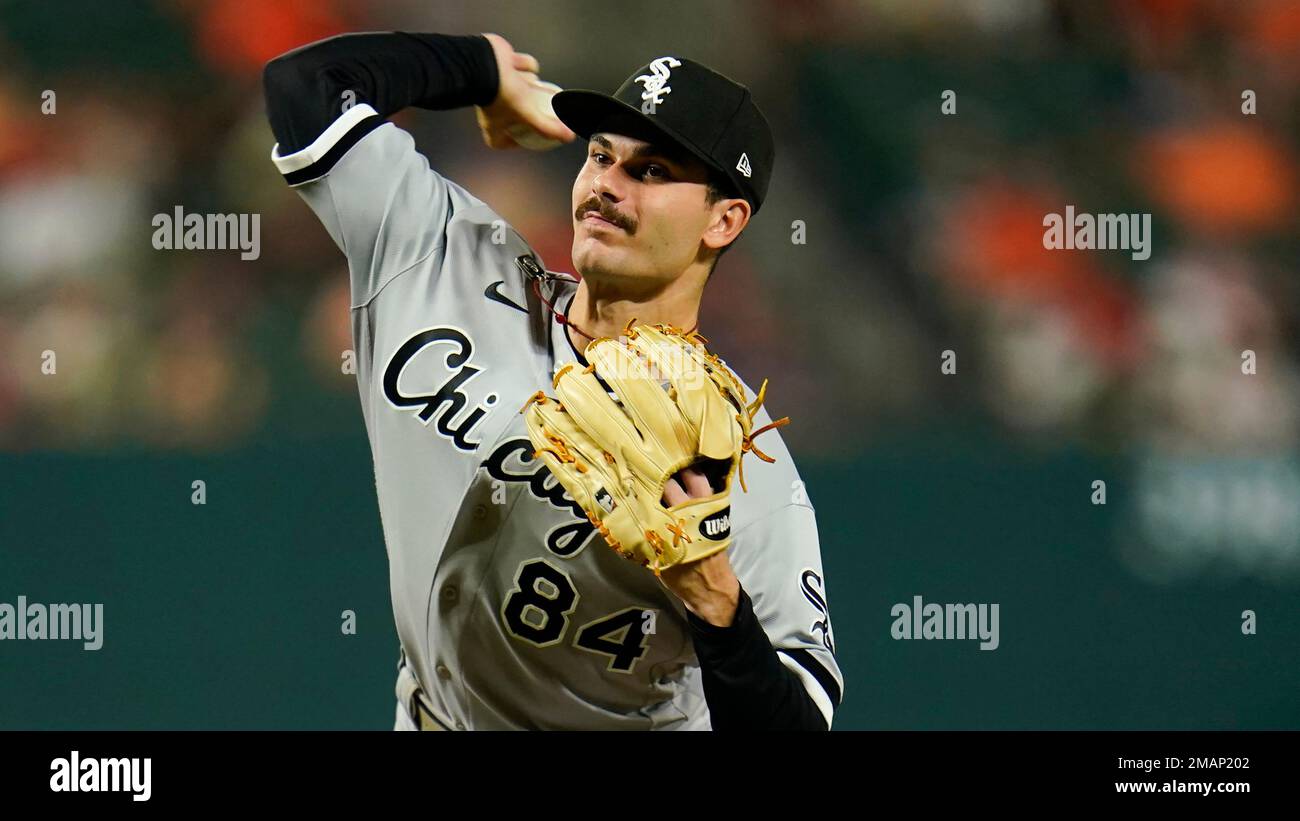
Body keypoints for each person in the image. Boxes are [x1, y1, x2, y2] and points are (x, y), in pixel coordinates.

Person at [262, 30, 843, 730]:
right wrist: (477, 69)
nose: (607, 186)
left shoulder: (744, 461)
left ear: (724, 219)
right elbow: (303, 87)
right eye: (601, 155)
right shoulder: (447, 260)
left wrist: (714, 598)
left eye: (652, 171)